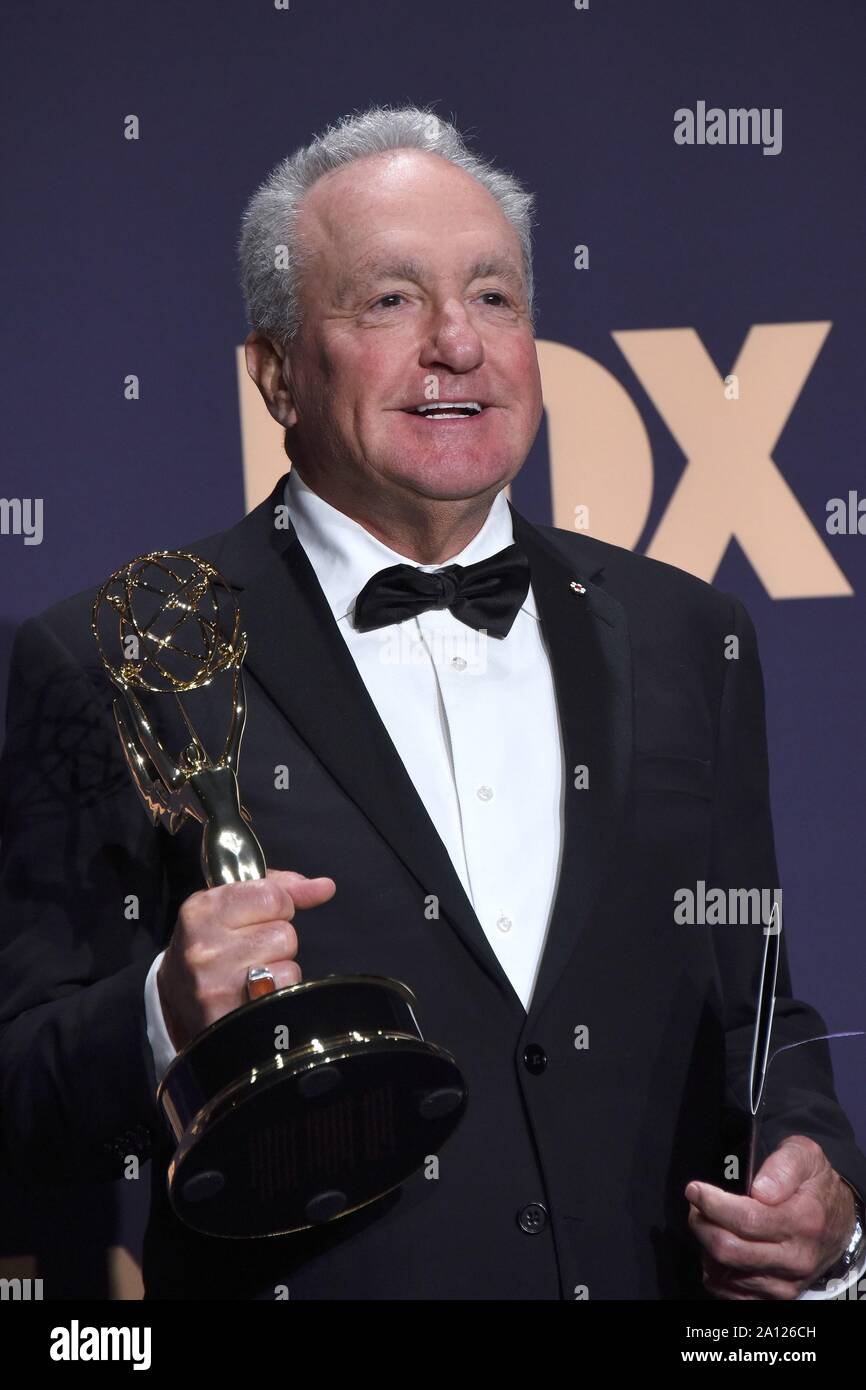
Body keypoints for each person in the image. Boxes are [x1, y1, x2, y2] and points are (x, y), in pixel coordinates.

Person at [0, 105, 863, 1301]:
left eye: (496, 297)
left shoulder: (690, 635)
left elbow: (756, 1011)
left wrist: (817, 1180)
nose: (457, 341)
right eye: (390, 300)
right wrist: (155, 1013)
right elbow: (18, 1089)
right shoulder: (118, 653)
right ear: (274, 372)